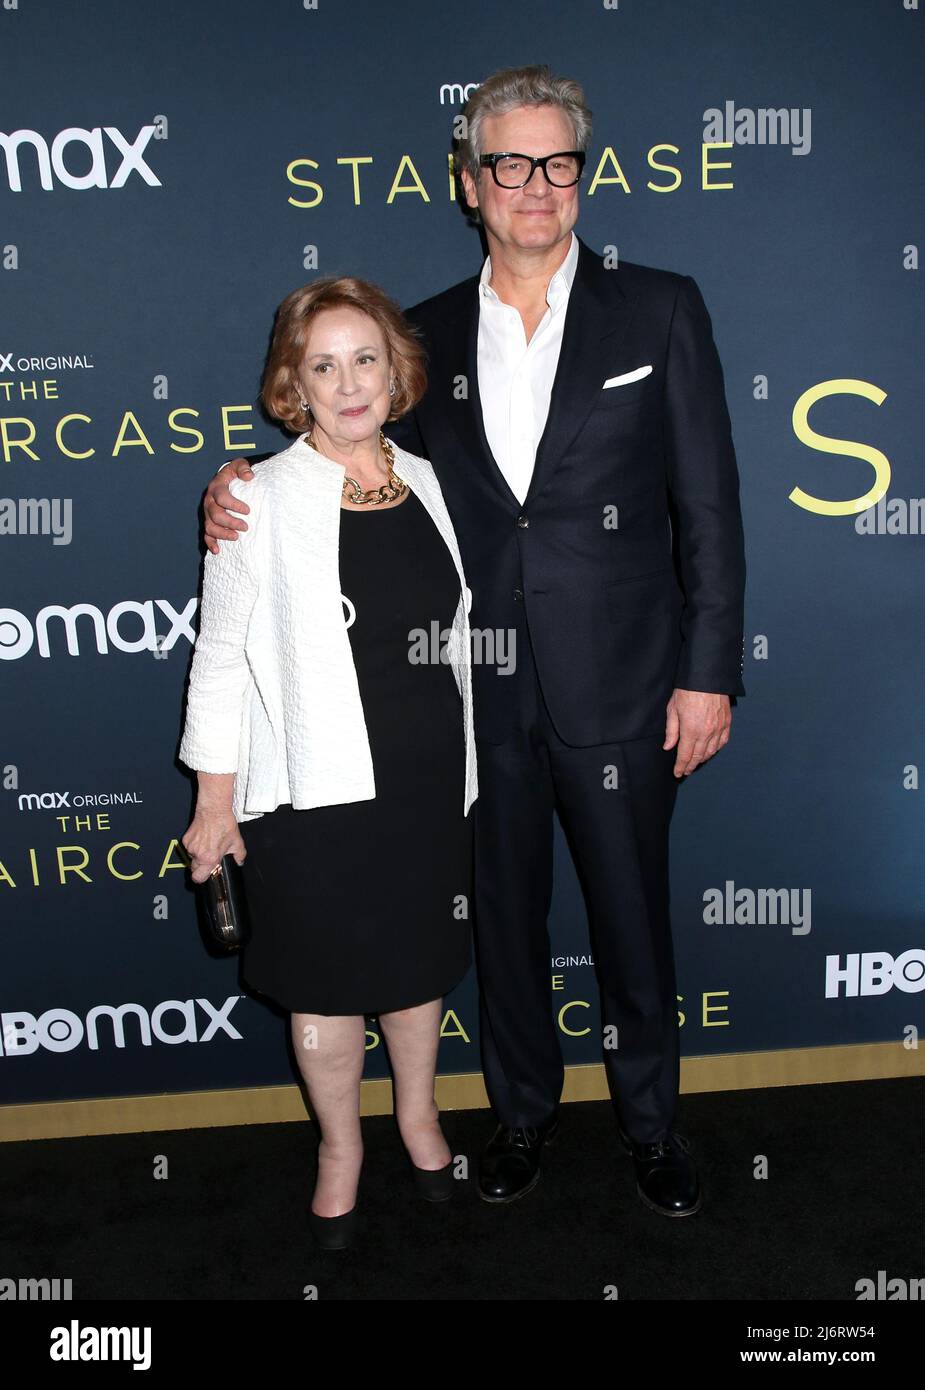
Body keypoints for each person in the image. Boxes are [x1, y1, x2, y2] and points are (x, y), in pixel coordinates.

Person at [202, 66, 746, 1218]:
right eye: (509, 163)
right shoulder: (424, 335)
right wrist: (234, 488)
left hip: (626, 683)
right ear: (470, 181)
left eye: (557, 163)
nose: (534, 186)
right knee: (501, 920)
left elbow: (708, 509)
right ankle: (521, 1116)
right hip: (472, 698)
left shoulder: (657, 306)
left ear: (580, 178)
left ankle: (652, 1126)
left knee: (632, 918)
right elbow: (340, 460)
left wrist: (708, 672)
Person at [179, 276, 478, 1249]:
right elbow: (219, 655)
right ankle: (339, 1148)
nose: (347, 383)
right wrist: (213, 805)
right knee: (325, 979)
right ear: (292, 386)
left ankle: (421, 1118)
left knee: (416, 968)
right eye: (322, 365)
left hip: (429, 782)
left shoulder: (434, 484)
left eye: (364, 359)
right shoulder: (255, 497)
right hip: (313, 795)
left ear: (395, 371)